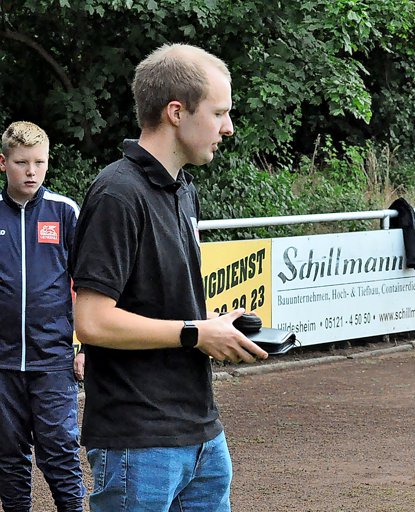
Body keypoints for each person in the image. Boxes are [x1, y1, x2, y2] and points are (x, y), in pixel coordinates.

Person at [69, 44, 268, 511]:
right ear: (176, 112)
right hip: (138, 443)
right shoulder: (117, 194)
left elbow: (160, 307)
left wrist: (214, 324)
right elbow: (92, 322)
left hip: (203, 436)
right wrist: (194, 332)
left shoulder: (183, 190)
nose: (228, 127)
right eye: (219, 112)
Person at [0, 121, 85, 512]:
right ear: (3, 163)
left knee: (60, 453)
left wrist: (85, 346)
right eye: (21, 162)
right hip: (2, 364)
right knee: (8, 457)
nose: (31, 171)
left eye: (39, 162)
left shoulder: (65, 212)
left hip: (53, 360)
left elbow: (89, 284)